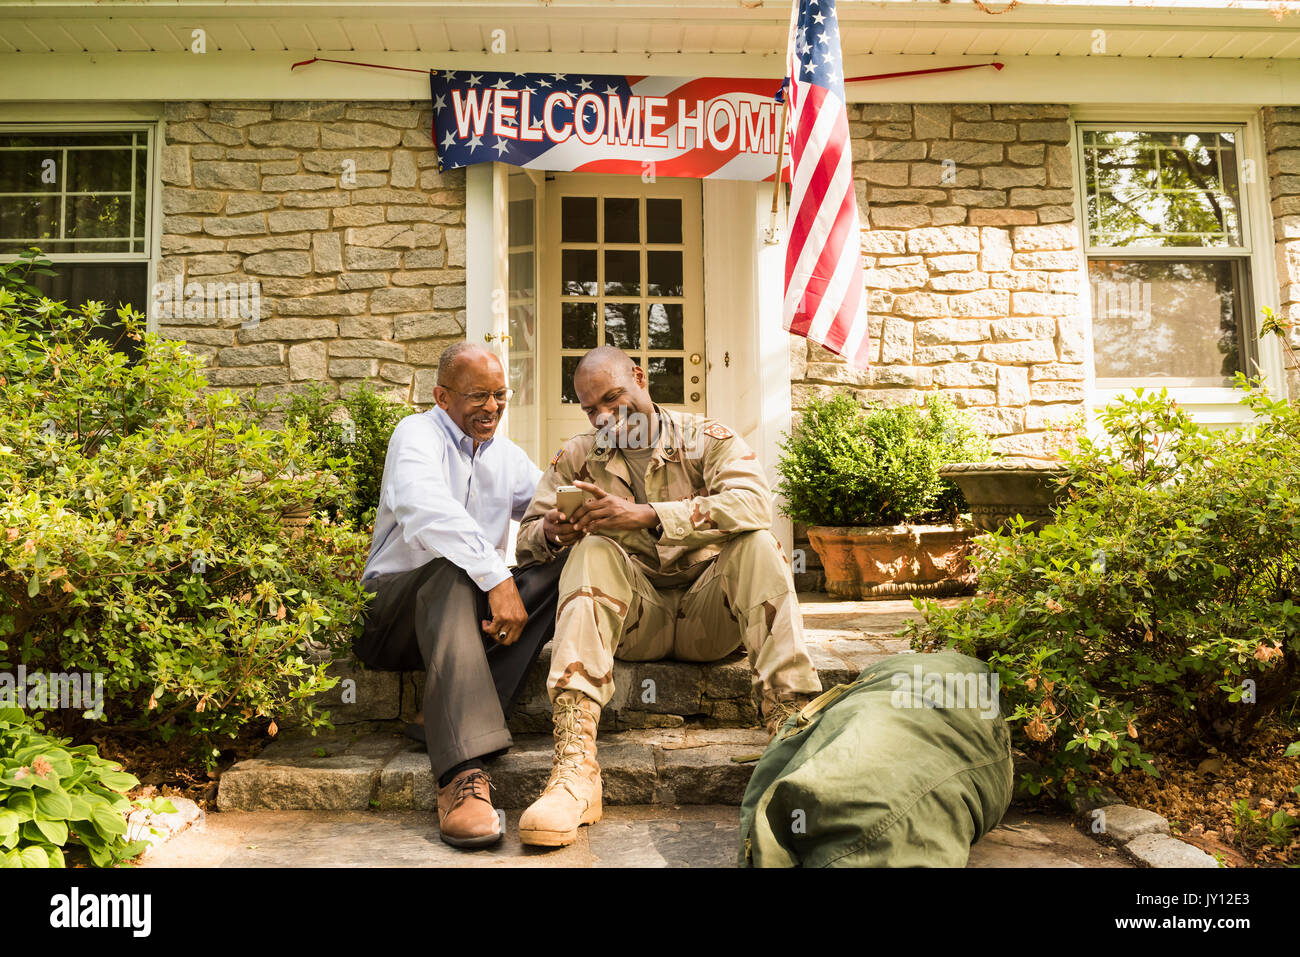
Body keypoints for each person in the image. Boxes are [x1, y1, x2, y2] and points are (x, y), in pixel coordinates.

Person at [511, 345, 822, 847]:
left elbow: (754, 504)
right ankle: (575, 770)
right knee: (590, 550)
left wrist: (651, 515)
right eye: (591, 409)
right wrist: (549, 531)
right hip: (636, 619)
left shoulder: (707, 438)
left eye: (613, 397)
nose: (605, 416)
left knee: (759, 544)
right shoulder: (577, 454)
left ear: (640, 375)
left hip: (710, 614)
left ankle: (793, 734)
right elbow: (524, 539)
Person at [356, 342, 565, 849]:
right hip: (391, 618)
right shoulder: (416, 435)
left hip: (461, 621)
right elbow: (425, 511)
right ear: (442, 396)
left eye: (499, 395)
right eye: (477, 397)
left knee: (559, 568)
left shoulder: (505, 455)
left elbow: (542, 505)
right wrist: (497, 581)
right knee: (451, 567)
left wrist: (564, 520)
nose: (491, 407)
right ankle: (460, 776)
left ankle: (441, 712)